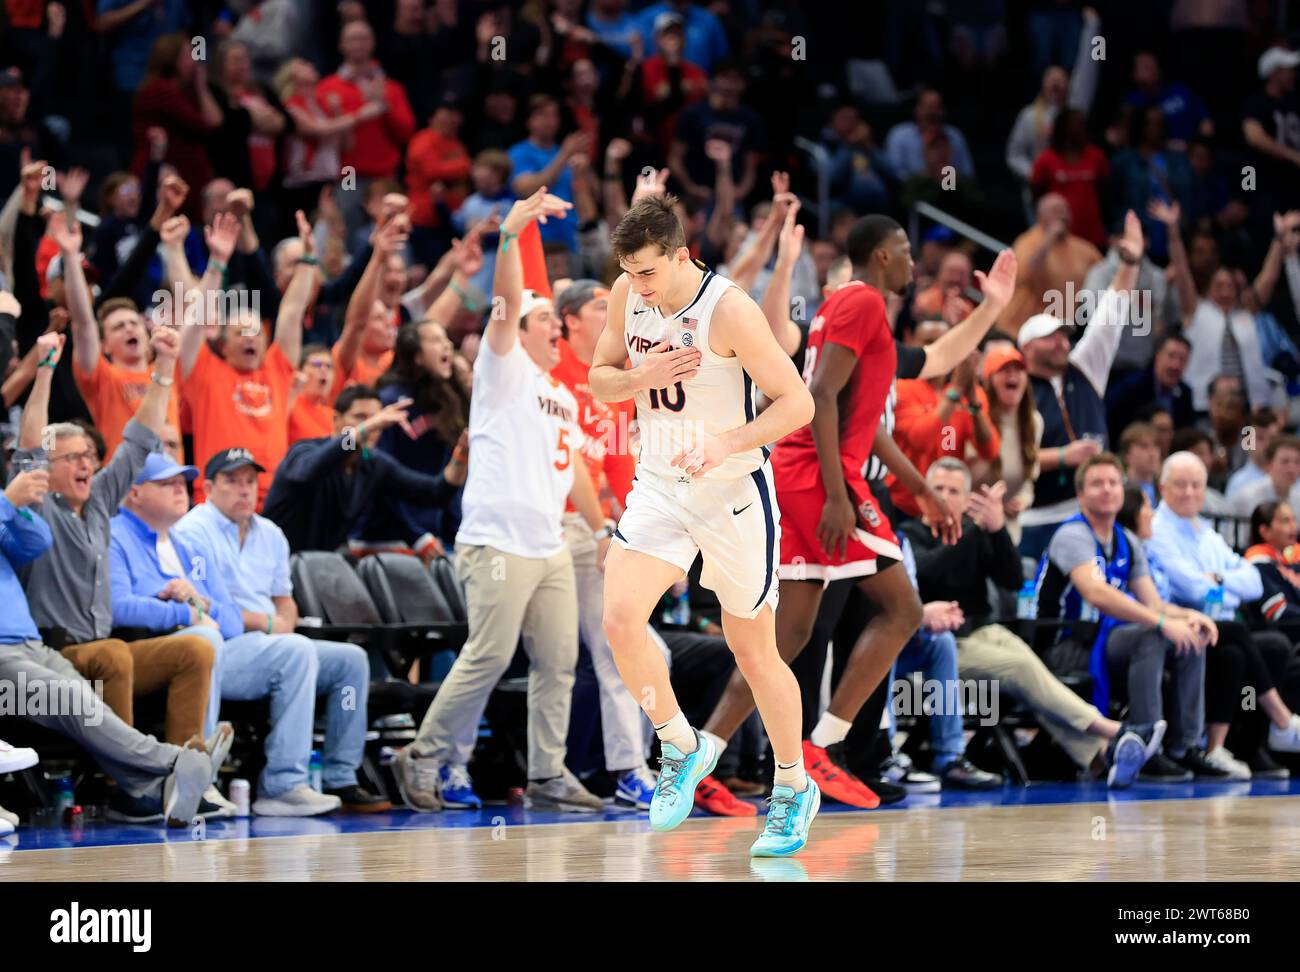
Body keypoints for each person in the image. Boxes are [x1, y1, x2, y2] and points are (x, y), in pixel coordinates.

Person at [589, 191, 821, 857]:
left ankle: (791, 785)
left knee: (753, 650)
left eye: (648, 273)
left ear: (682, 255)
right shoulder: (625, 295)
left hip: (730, 490)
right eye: (628, 273)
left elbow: (798, 403)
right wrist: (642, 375)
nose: (637, 287)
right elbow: (599, 379)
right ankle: (679, 743)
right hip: (661, 484)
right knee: (619, 617)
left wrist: (729, 441)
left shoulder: (731, 309)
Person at [392, 189, 610, 815]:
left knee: (559, 664)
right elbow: (509, 301)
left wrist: (598, 535)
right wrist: (511, 236)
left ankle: (546, 774)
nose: (553, 329)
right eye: (544, 321)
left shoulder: (561, 398)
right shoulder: (501, 367)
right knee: (486, 655)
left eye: (552, 322)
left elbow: (575, 476)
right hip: (495, 541)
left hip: (548, 546)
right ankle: (421, 756)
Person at [12, 329, 225, 792]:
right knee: (111, 654)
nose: (87, 463)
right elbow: (29, 445)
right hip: (59, 648)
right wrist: (45, 372)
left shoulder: (102, 501)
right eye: (73, 458)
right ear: (48, 469)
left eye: (90, 454)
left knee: (195, 648)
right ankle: (129, 788)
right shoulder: (37, 505)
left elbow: (139, 440)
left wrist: (165, 366)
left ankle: (191, 776)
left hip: (98, 650)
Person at [109, 452, 341, 817]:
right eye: (166, 483)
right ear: (135, 493)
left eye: (180, 482)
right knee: (206, 640)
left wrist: (199, 604)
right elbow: (118, 607)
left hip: (210, 647)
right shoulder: (116, 535)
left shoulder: (187, 547)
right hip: (142, 652)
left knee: (295, 649)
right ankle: (197, 782)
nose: (178, 490)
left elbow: (230, 619)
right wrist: (181, 609)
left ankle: (284, 785)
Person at [904, 458, 1160, 785]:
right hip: (940, 642)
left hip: (986, 630)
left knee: (1035, 673)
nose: (944, 496)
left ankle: (1103, 756)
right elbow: (929, 570)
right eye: (937, 489)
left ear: (967, 497)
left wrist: (996, 531)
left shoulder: (976, 532)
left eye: (954, 490)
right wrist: (977, 531)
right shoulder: (912, 533)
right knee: (1021, 671)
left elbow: (1012, 579)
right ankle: (1113, 731)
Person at [174, 448, 390, 811]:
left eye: (250, 481)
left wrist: (282, 623)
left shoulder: (271, 533)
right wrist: (271, 624)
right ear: (208, 488)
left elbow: (284, 600)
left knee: (351, 660)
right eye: (232, 481)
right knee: (295, 649)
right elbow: (207, 608)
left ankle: (342, 776)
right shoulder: (193, 530)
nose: (244, 490)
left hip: (269, 644)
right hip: (222, 647)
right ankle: (282, 784)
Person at [0, 463, 215, 827]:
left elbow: (38, 540)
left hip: (35, 646)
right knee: (70, 698)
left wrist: (9, 506)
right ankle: (172, 762)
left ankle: (148, 787)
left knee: (87, 704)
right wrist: (6, 502)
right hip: (3, 660)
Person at [1035, 453, 1220, 783]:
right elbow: (1097, 594)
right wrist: (1162, 623)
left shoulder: (1128, 541)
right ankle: (1149, 746)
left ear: (1123, 492)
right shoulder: (1073, 536)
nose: (1106, 490)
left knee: (1191, 635)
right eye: (1096, 484)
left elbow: (1154, 602)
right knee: (1150, 636)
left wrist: (1189, 616)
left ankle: (1186, 746)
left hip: (1105, 640)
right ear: (1081, 495)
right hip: (1063, 645)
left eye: (1113, 483)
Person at [550, 278, 654, 806]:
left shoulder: (612, 381)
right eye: (599, 307)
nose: (613, 314)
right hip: (550, 528)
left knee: (636, 650)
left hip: (596, 533)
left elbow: (619, 465)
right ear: (569, 321)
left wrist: (641, 530)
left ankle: (634, 768)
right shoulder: (549, 368)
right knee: (604, 652)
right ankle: (624, 769)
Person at [1147, 451, 1300, 777]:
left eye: (1196, 485)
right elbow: (1190, 589)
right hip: (1181, 623)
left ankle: (1238, 746)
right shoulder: (1158, 531)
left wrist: (1217, 579)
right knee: (1240, 636)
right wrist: (1223, 582)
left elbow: (1253, 581)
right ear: (1163, 487)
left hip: (1222, 628)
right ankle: (1282, 720)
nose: (1189, 492)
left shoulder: (1205, 531)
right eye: (1181, 485)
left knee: (1260, 648)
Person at [1016, 210, 1145, 560]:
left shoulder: (1084, 368)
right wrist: (1062, 457)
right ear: (1026, 347)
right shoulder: (1014, 386)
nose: (1062, 343)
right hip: (1034, 517)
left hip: (1090, 512)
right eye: (1050, 338)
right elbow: (1005, 456)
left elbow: (1111, 314)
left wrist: (1130, 263)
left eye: (1064, 336)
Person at [176, 209, 316, 505]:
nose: (250, 337)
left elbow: (291, 315)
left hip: (275, 500)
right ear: (223, 346)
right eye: (240, 333)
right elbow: (195, 321)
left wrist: (308, 261)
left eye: (255, 333)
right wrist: (216, 264)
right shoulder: (204, 372)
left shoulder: (277, 370)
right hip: (216, 500)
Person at [888, 318, 1001, 520]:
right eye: (928, 341)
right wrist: (956, 391)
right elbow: (920, 440)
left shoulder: (969, 392)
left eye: (943, 341)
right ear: (912, 344)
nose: (936, 348)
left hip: (947, 507)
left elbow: (990, 450)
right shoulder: (901, 386)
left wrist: (973, 401)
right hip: (904, 507)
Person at [1002, 193, 1102, 335]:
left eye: (1066, 210)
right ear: (1040, 216)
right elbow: (1023, 276)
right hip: (1017, 329)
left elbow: (1104, 277)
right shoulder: (1027, 242)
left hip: (1056, 332)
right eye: (1056, 210)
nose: (1063, 215)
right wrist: (1049, 239)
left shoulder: (1084, 250)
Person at [980, 344, 1041, 545]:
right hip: (974, 526)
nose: (1012, 374)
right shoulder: (975, 419)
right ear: (989, 380)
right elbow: (960, 475)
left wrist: (1023, 500)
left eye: (1018, 369)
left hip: (1010, 533)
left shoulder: (1034, 422)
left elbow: (1029, 479)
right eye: (1004, 369)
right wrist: (994, 503)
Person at [1104, 333, 1196, 445]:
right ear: (1158, 356)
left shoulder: (1185, 394)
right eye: (1171, 356)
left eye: (1182, 359)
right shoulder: (1130, 387)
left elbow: (1186, 436)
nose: (1175, 365)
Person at [884, 89, 975, 182]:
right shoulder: (899, 134)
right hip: (915, 190)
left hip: (952, 188)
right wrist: (928, 177)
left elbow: (968, 174)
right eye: (928, 107)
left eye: (937, 108)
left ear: (943, 111)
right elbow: (895, 173)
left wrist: (947, 179)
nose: (932, 113)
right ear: (917, 109)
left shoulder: (954, 135)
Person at [1230, 434, 1300, 518]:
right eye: (1285, 462)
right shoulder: (1247, 498)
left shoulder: (1298, 499)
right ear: (1269, 465)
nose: (1291, 469)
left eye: (1297, 462)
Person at [1225, 406, 1283, 500]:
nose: (1268, 444)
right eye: (1260, 438)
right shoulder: (1238, 483)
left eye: (1272, 438)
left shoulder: (1292, 477)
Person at [1118, 422, 1161, 507]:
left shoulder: (1165, 488)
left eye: (1155, 446)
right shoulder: (1119, 490)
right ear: (1127, 454)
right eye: (1144, 446)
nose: (1152, 453)